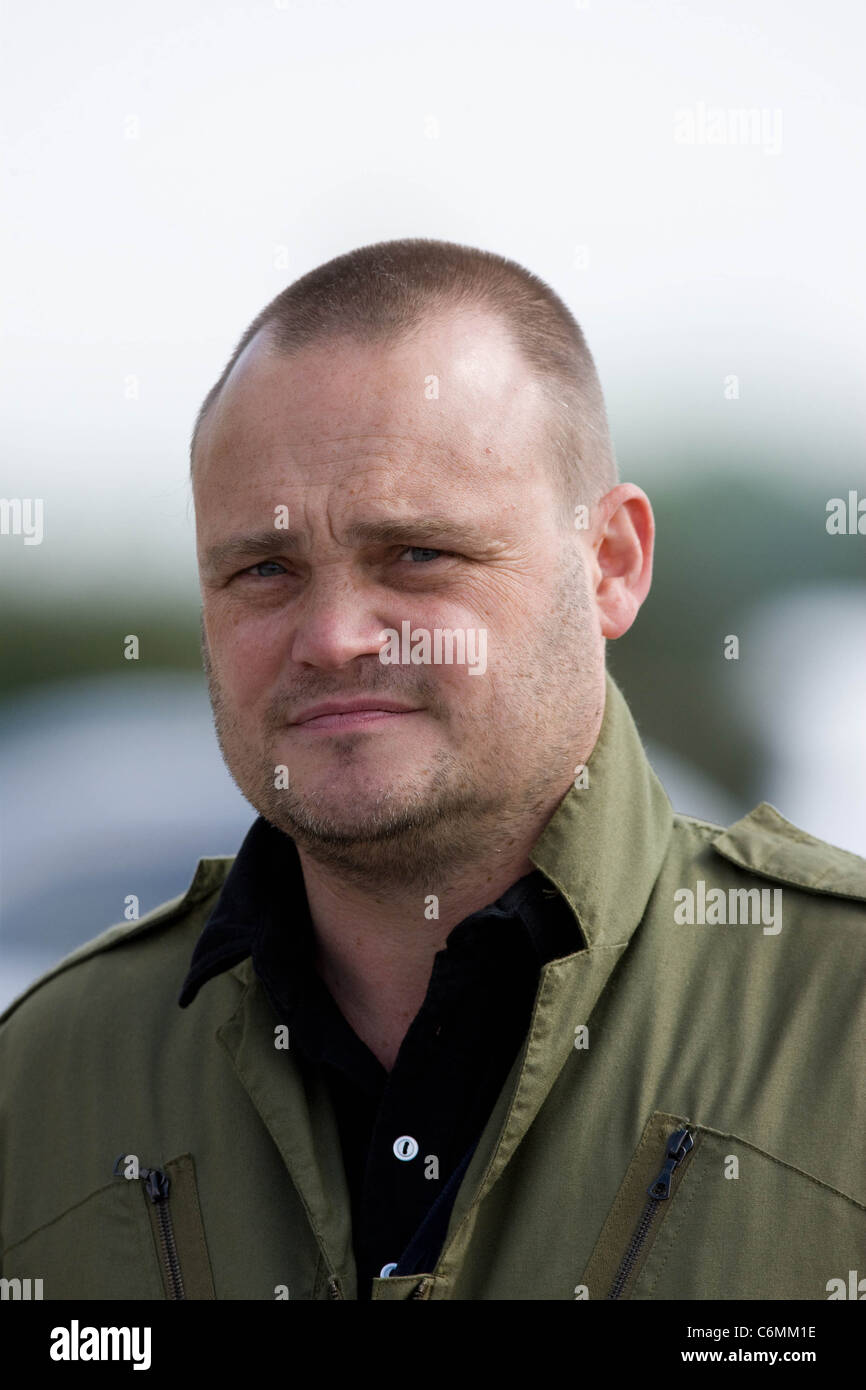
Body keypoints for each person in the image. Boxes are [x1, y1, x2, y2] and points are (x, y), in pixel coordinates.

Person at [1, 239, 864, 1302]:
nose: (330, 635)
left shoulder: (838, 1021)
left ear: (610, 564)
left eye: (415, 554)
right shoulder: (44, 1079)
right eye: (262, 570)